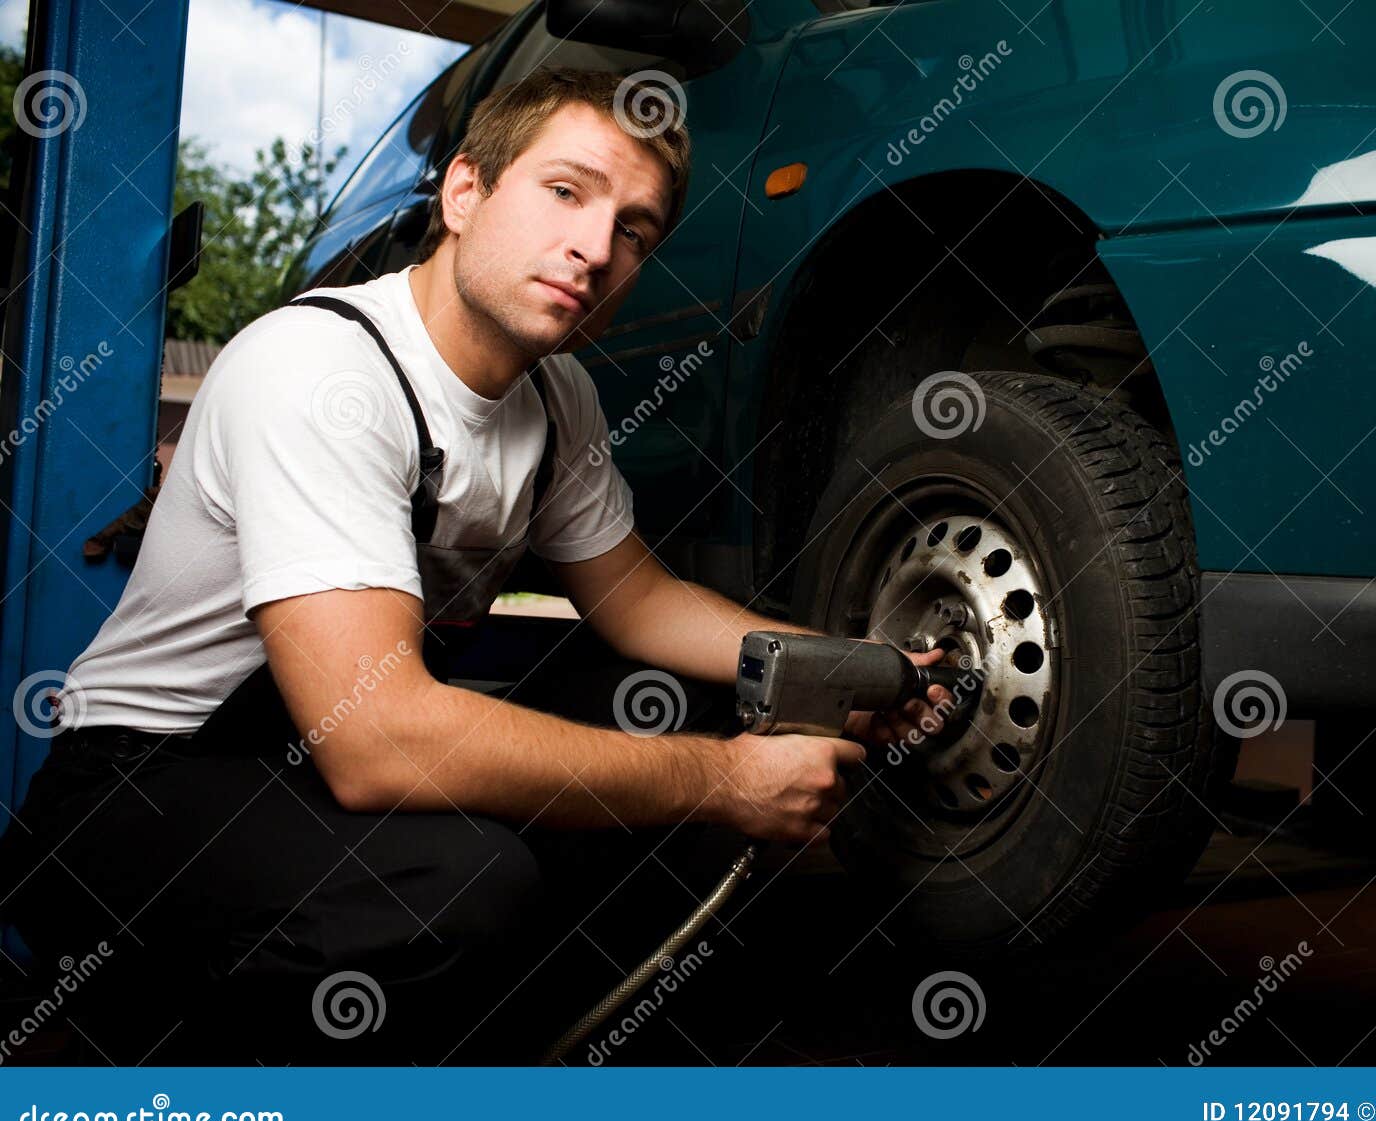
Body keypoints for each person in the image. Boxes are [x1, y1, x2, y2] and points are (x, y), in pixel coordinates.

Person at [0, 68, 947, 1065]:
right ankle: (134, 1040)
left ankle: (537, 1048)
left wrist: (848, 670)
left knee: (702, 695)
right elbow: (375, 740)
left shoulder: (560, 395)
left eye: (634, 229)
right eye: (566, 192)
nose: (594, 249)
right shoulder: (324, 371)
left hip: (319, 759)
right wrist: (721, 782)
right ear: (464, 194)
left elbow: (641, 601)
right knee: (461, 885)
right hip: (139, 792)